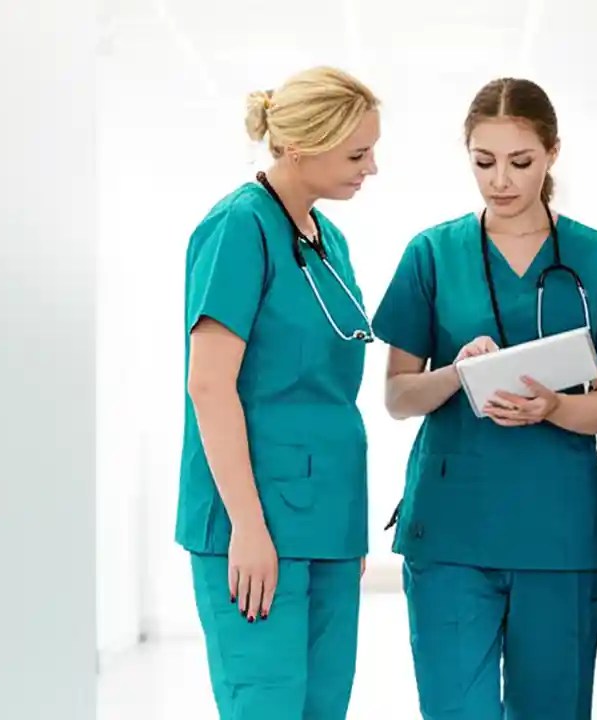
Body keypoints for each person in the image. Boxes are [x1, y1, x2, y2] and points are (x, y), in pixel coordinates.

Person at [372, 77, 597, 720]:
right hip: (451, 531)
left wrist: (553, 407)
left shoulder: (596, 257)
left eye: (520, 162)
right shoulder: (432, 254)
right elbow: (396, 395)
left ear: (553, 153)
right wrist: (461, 376)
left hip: (559, 533)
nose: (501, 180)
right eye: (483, 162)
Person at [175, 66, 380, 720]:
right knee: (266, 705)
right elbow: (209, 385)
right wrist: (249, 527)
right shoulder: (239, 227)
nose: (372, 167)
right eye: (357, 153)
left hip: (328, 521)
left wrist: (347, 532)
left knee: (324, 707)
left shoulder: (330, 242)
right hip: (257, 524)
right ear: (299, 148)